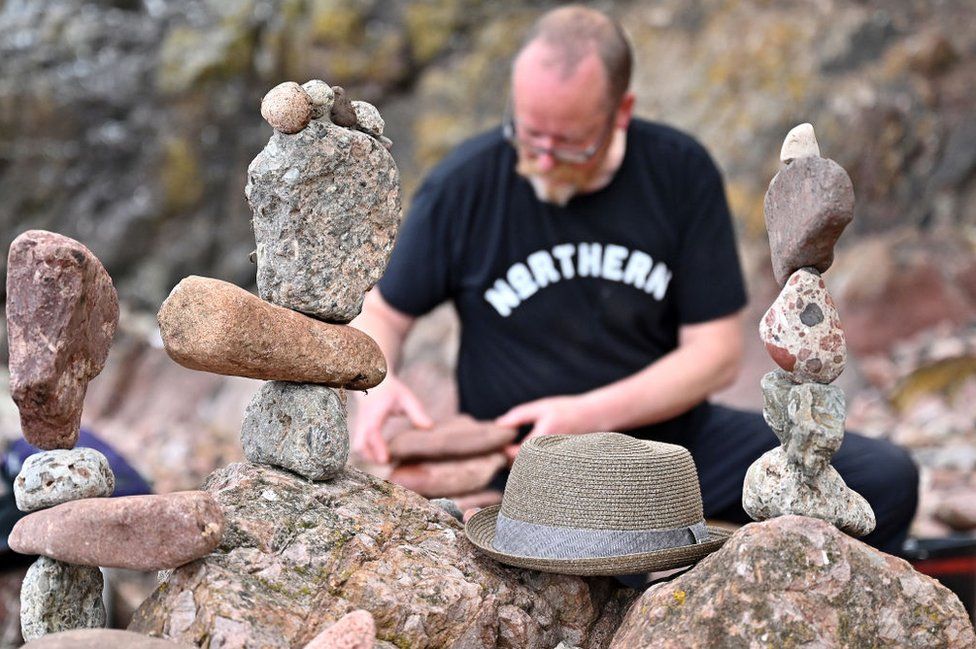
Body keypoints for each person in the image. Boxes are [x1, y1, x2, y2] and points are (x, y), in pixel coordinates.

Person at [351, 5, 918, 555]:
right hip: (521, 466)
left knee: (886, 479)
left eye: (569, 142)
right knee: (576, 556)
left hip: (673, 451)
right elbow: (386, 312)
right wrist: (380, 380)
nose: (543, 161)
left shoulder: (678, 172)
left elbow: (716, 354)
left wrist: (586, 416)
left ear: (621, 111)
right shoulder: (465, 184)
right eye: (528, 136)